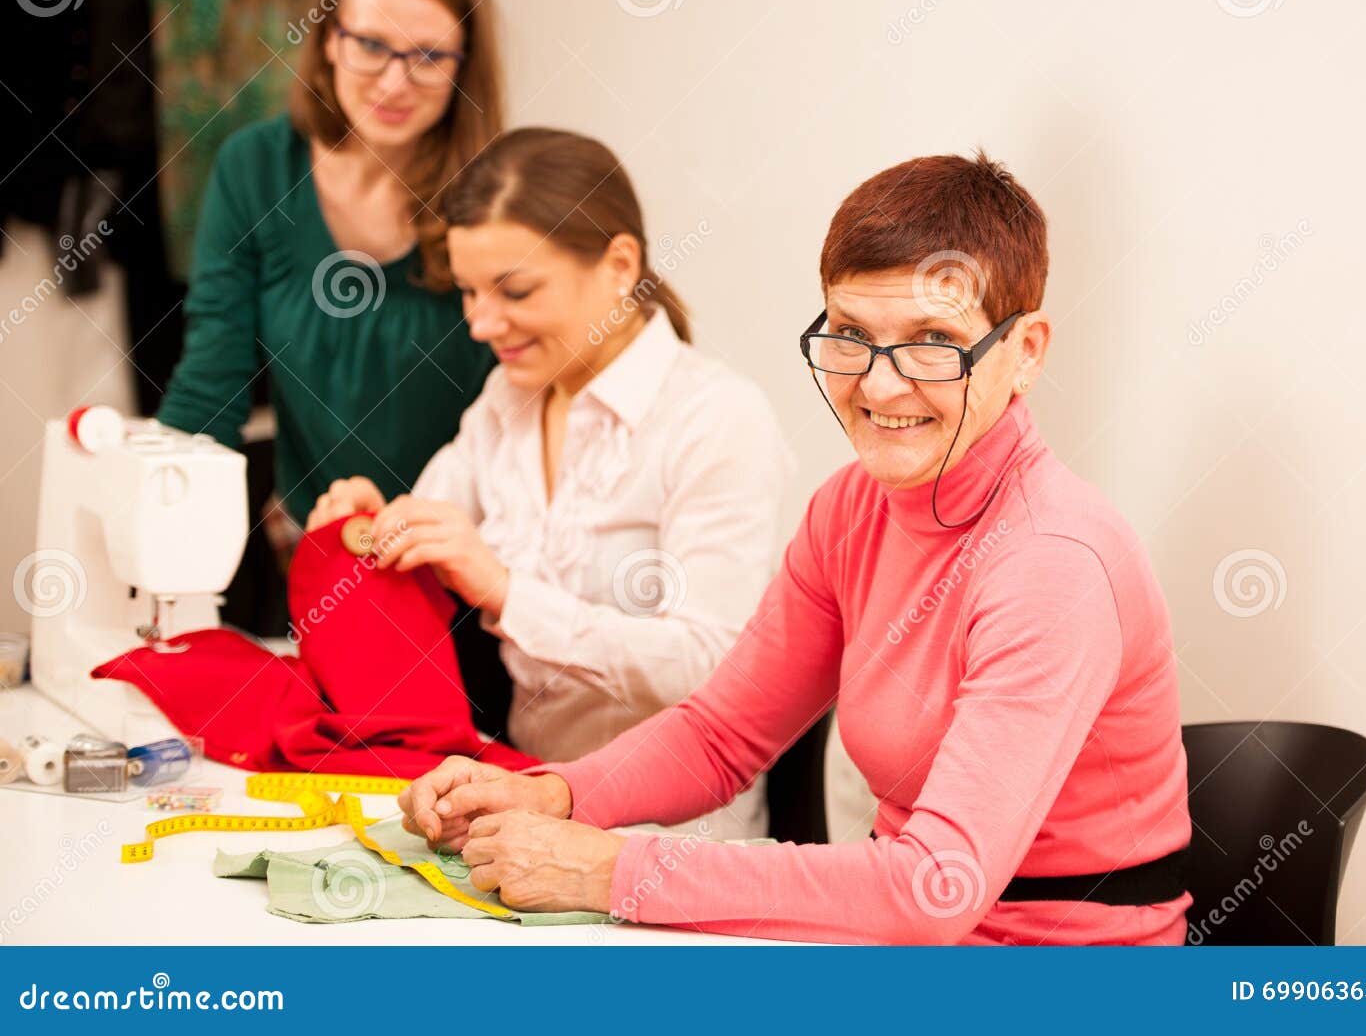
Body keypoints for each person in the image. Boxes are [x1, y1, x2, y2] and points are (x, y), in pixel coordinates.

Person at [396, 151, 1193, 945]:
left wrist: (612, 869)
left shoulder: (1054, 562)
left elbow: (931, 887)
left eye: (932, 341)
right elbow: (721, 734)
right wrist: (550, 795)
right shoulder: (851, 508)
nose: (879, 386)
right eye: (849, 334)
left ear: (1025, 352)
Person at [308, 129, 791, 840]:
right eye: (469, 291)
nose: (479, 323)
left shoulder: (716, 420)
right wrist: (369, 523)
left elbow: (713, 671)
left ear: (619, 264)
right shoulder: (508, 399)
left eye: (516, 290)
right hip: (516, 809)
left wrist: (506, 591)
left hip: (664, 843)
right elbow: (430, 523)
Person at [157, 0, 503, 534]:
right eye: (371, 44)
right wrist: (165, 514)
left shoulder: (495, 194)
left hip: (470, 553)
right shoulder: (258, 168)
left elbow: (533, 410)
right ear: (328, 42)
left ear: (463, 67)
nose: (395, 83)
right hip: (323, 552)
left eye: (428, 56)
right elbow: (212, 377)